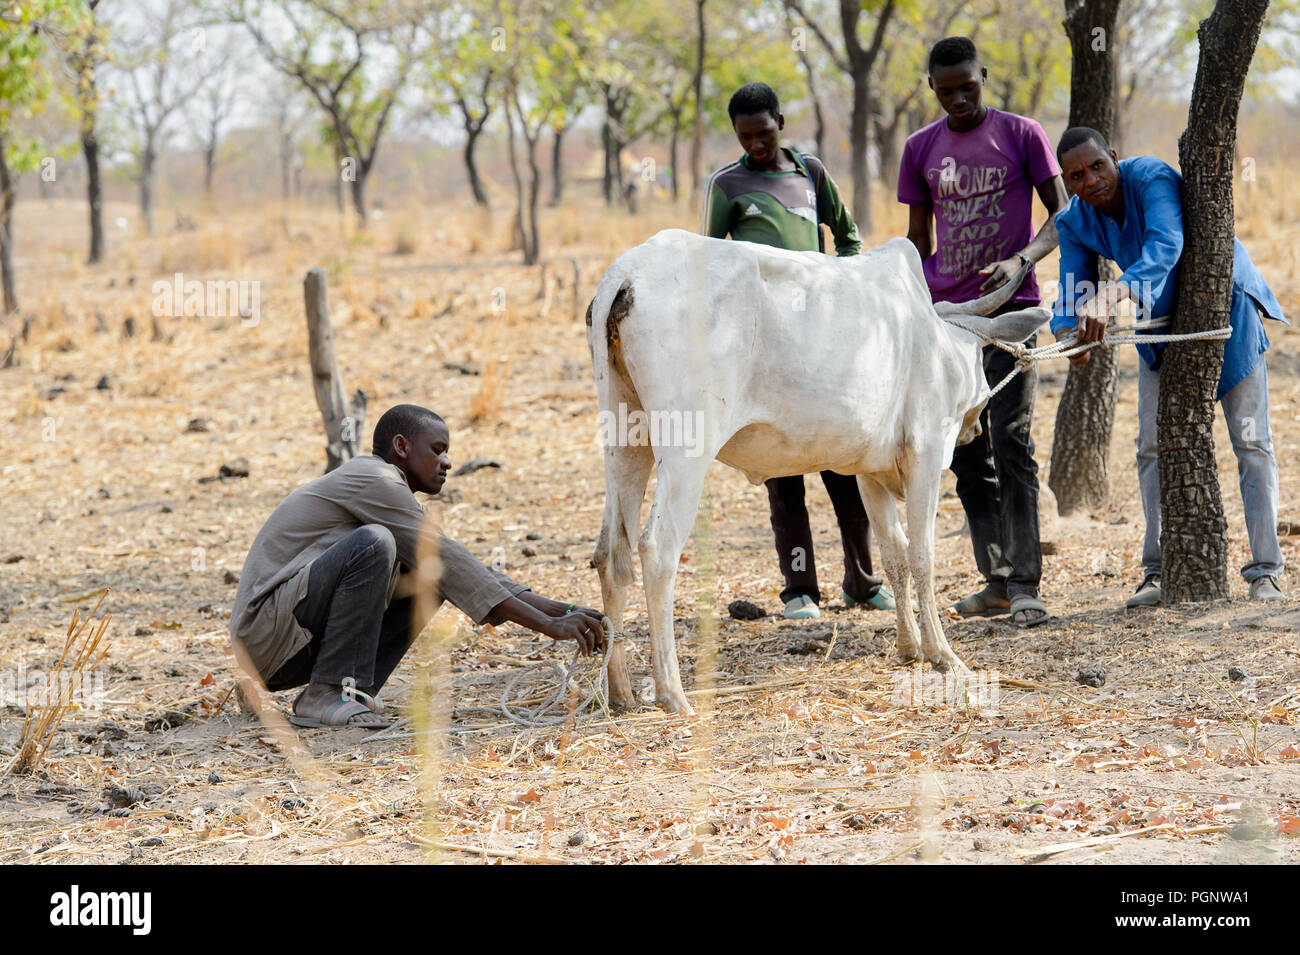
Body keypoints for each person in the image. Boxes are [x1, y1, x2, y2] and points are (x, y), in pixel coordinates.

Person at [229, 404, 607, 729]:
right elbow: (449, 559)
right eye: (438, 449)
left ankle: (349, 693)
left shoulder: (388, 493)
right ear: (402, 447)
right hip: (266, 634)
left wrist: (564, 611)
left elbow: (459, 565)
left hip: (288, 634)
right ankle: (325, 694)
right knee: (376, 543)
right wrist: (549, 626)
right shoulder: (373, 478)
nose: (448, 462)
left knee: (426, 567)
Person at [1051, 127, 1288, 606]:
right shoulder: (1074, 221)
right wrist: (1065, 335)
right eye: (1076, 175)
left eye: (1098, 166)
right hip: (1157, 326)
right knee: (1152, 447)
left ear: (1114, 157)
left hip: (1224, 316)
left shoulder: (1152, 177)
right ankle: (1157, 571)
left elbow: (1165, 244)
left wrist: (1114, 292)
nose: (1092, 180)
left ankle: (1267, 571)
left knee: (1251, 443)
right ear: (1067, 181)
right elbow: (1073, 287)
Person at [702, 80, 894, 620]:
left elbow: (849, 235)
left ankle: (863, 581)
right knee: (784, 474)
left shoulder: (811, 173)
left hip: (823, 341)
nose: (756, 144)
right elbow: (710, 264)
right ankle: (799, 590)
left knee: (841, 465)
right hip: (768, 350)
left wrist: (843, 280)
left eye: (763, 132)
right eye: (746, 137)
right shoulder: (727, 184)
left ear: (780, 122)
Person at [898, 36, 1067, 628]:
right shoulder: (920, 147)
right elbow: (919, 242)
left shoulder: (1022, 134)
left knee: (1013, 442)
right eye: (946, 92)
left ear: (983, 76)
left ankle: (1025, 583)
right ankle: (994, 579)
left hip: (1012, 311)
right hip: (950, 319)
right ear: (932, 89)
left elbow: (1062, 215)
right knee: (965, 451)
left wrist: (1022, 259)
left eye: (967, 87)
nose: (958, 99)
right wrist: (904, 294)